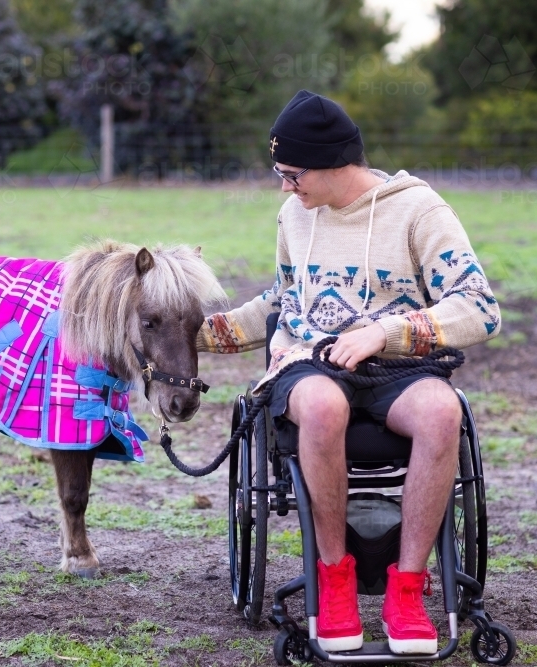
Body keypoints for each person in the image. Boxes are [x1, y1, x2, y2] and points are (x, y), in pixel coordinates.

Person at [197, 90, 501, 655]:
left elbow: (481, 308)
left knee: (442, 410)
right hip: (311, 361)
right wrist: (202, 332)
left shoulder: (420, 212)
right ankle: (333, 579)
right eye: (279, 173)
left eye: (291, 174)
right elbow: (288, 299)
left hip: (398, 367)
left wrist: (387, 333)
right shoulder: (295, 213)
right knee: (321, 404)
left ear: (332, 163)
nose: (285, 187)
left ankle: (406, 590)